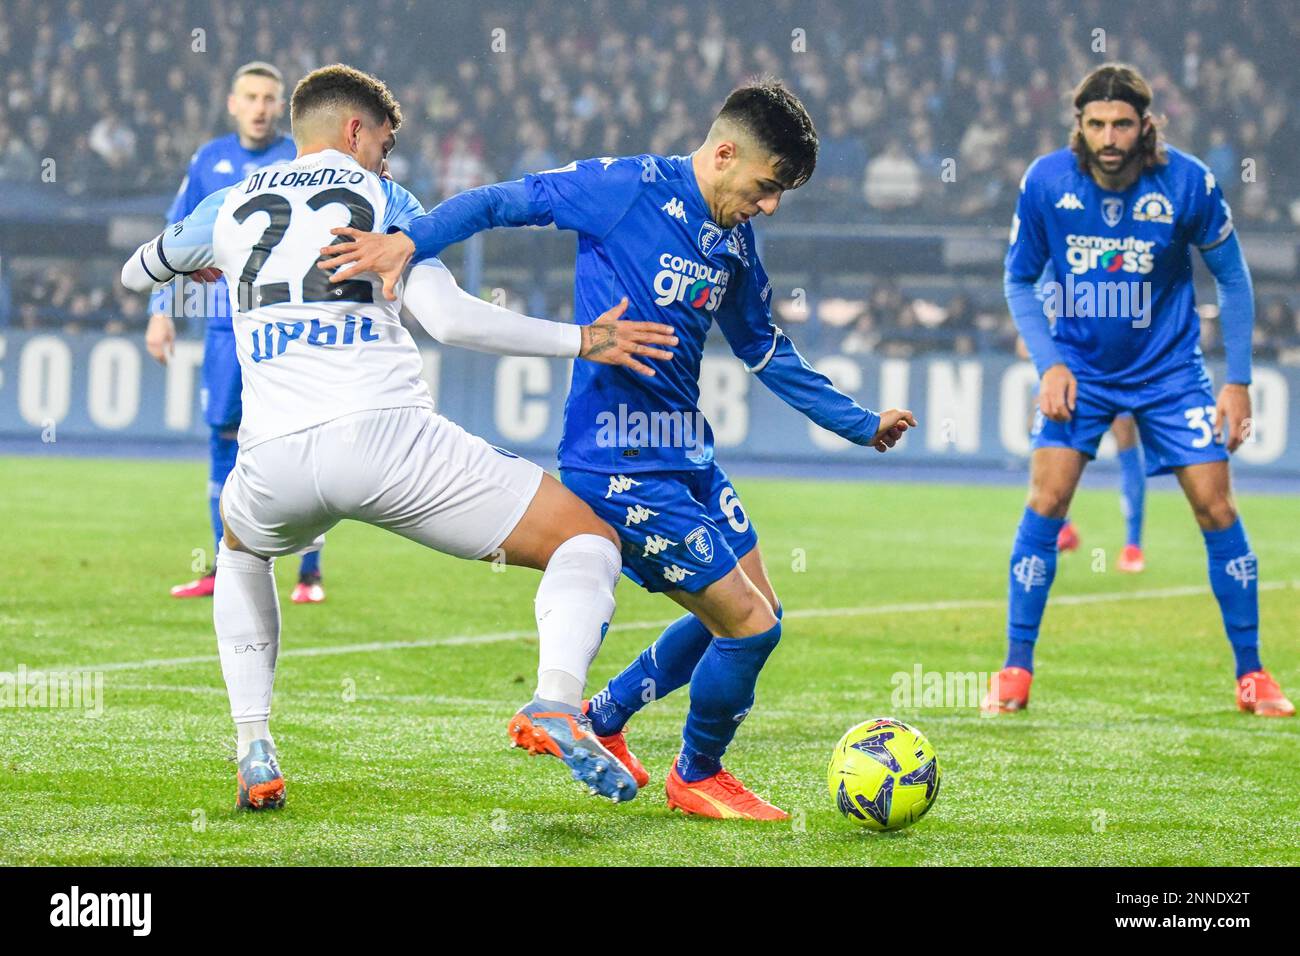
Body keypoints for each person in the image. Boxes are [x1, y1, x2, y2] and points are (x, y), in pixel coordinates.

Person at [317, 77, 916, 819]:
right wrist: (410, 242)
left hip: (686, 455)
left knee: (757, 608)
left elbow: (764, 348)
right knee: (751, 629)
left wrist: (859, 422)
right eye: (766, 186)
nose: (769, 206)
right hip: (616, 461)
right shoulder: (624, 187)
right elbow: (501, 201)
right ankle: (696, 775)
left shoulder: (732, 237)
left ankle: (604, 716)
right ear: (725, 153)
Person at [122, 63, 682, 809]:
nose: (389, 159)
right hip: (389, 441)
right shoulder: (384, 199)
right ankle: (555, 697)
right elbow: (449, 321)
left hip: (273, 459)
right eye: (385, 142)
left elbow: (137, 272)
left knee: (241, 549)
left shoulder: (229, 203)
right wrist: (582, 339)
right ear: (356, 131)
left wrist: (200, 265)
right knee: (588, 542)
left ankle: (255, 743)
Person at [984, 64, 1292, 717]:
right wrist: (1048, 363)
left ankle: (1253, 675)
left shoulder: (1188, 181)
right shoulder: (1046, 182)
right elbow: (1018, 280)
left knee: (1217, 507)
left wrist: (1236, 381)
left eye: (1122, 123)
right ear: (1080, 126)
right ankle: (1014, 670)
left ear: (1145, 124)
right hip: (1079, 369)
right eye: (1096, 124)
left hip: (1170, 372)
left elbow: (1234, 281)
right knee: (1047, 499)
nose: (1109, 136)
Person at [143, 62, 326, 602]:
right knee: (223, 436)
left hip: (285, 325)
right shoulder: (208, 159)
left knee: (298, 438)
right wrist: (161, 309)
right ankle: (225, 566)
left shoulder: (302, 159)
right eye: (250, 96)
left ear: (281, 106)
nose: (261, 107)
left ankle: (309, 573)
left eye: (270, 97)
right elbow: (177, 236)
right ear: (233, 103)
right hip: (224, 325)